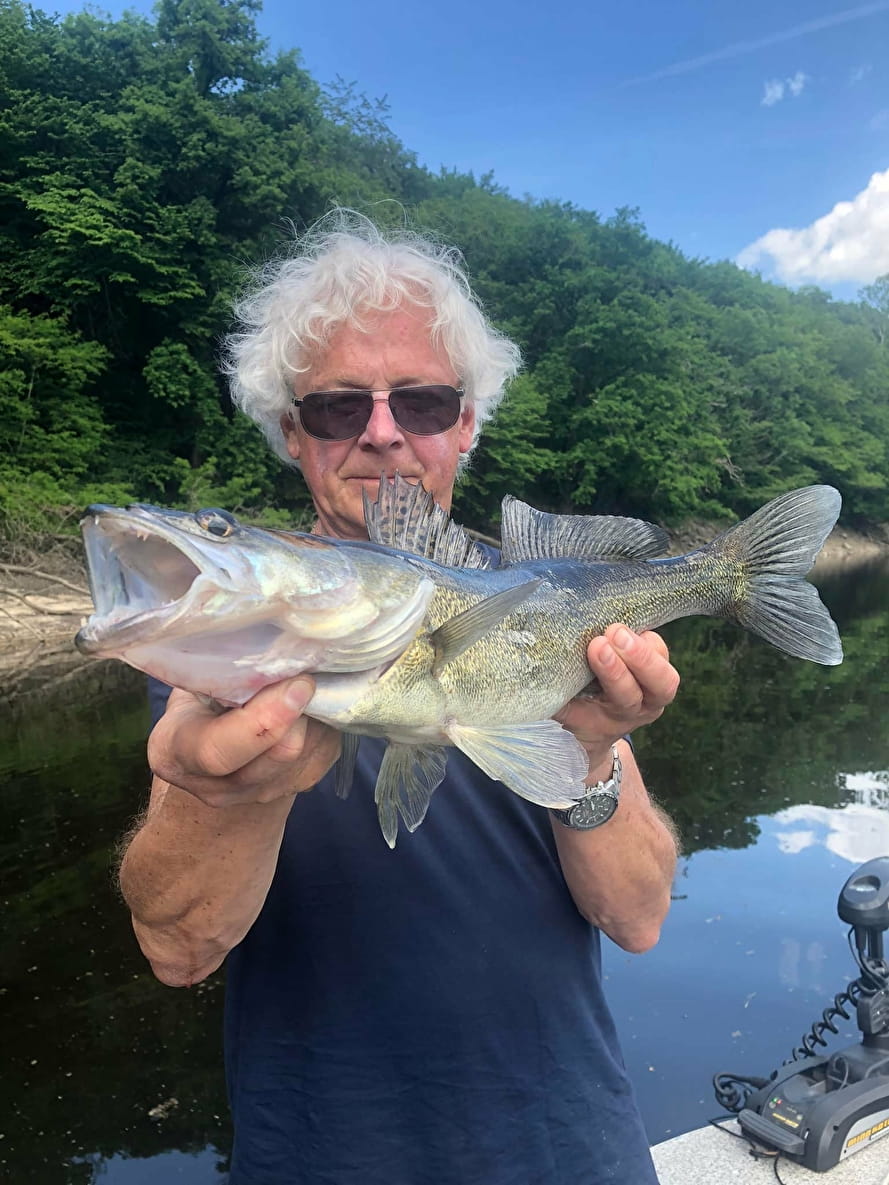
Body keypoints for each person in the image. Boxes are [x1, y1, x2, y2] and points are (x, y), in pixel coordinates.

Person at [120, 212, 680, 1185]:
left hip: (571, 1157)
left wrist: (589, 757)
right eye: (338, 407)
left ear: (464, 422)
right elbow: (178, 947)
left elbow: (637, 918)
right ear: (291, 433)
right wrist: (233, 793)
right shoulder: (224, 647)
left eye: (419, 401)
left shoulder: (554, 616)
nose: (382, 433)